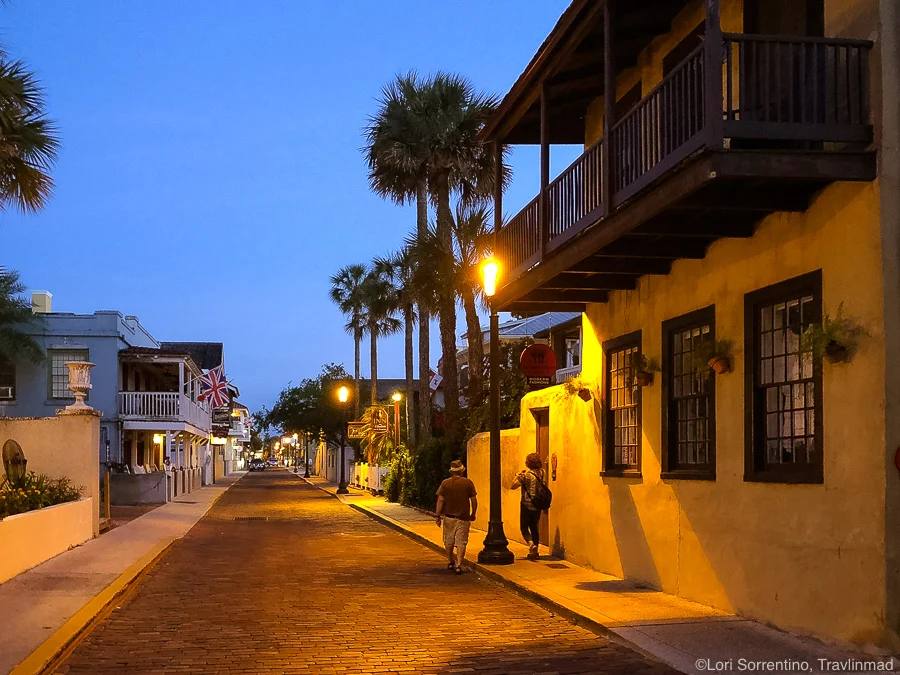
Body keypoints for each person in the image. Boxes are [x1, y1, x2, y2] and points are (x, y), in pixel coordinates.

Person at [435, 459, 477, 575]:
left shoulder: (445, 483)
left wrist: (437, 515)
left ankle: (450, 561)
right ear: (462, 471)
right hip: (463, 517)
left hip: (448, 517)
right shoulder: (468, 483)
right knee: (461, 542)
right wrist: (473, 513)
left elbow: (440, 500)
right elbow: (473, 500)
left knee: (448, 541)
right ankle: (459, 564)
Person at [511, 452, 545, 560]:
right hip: (537, 505)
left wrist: (516, 476)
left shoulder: (526, 476)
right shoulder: (542, 473)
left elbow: (513, 486)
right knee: (534, 527)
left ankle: (531, 544)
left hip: (526, 505)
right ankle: (535, 552)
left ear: (528, 463)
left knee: (524, 528)